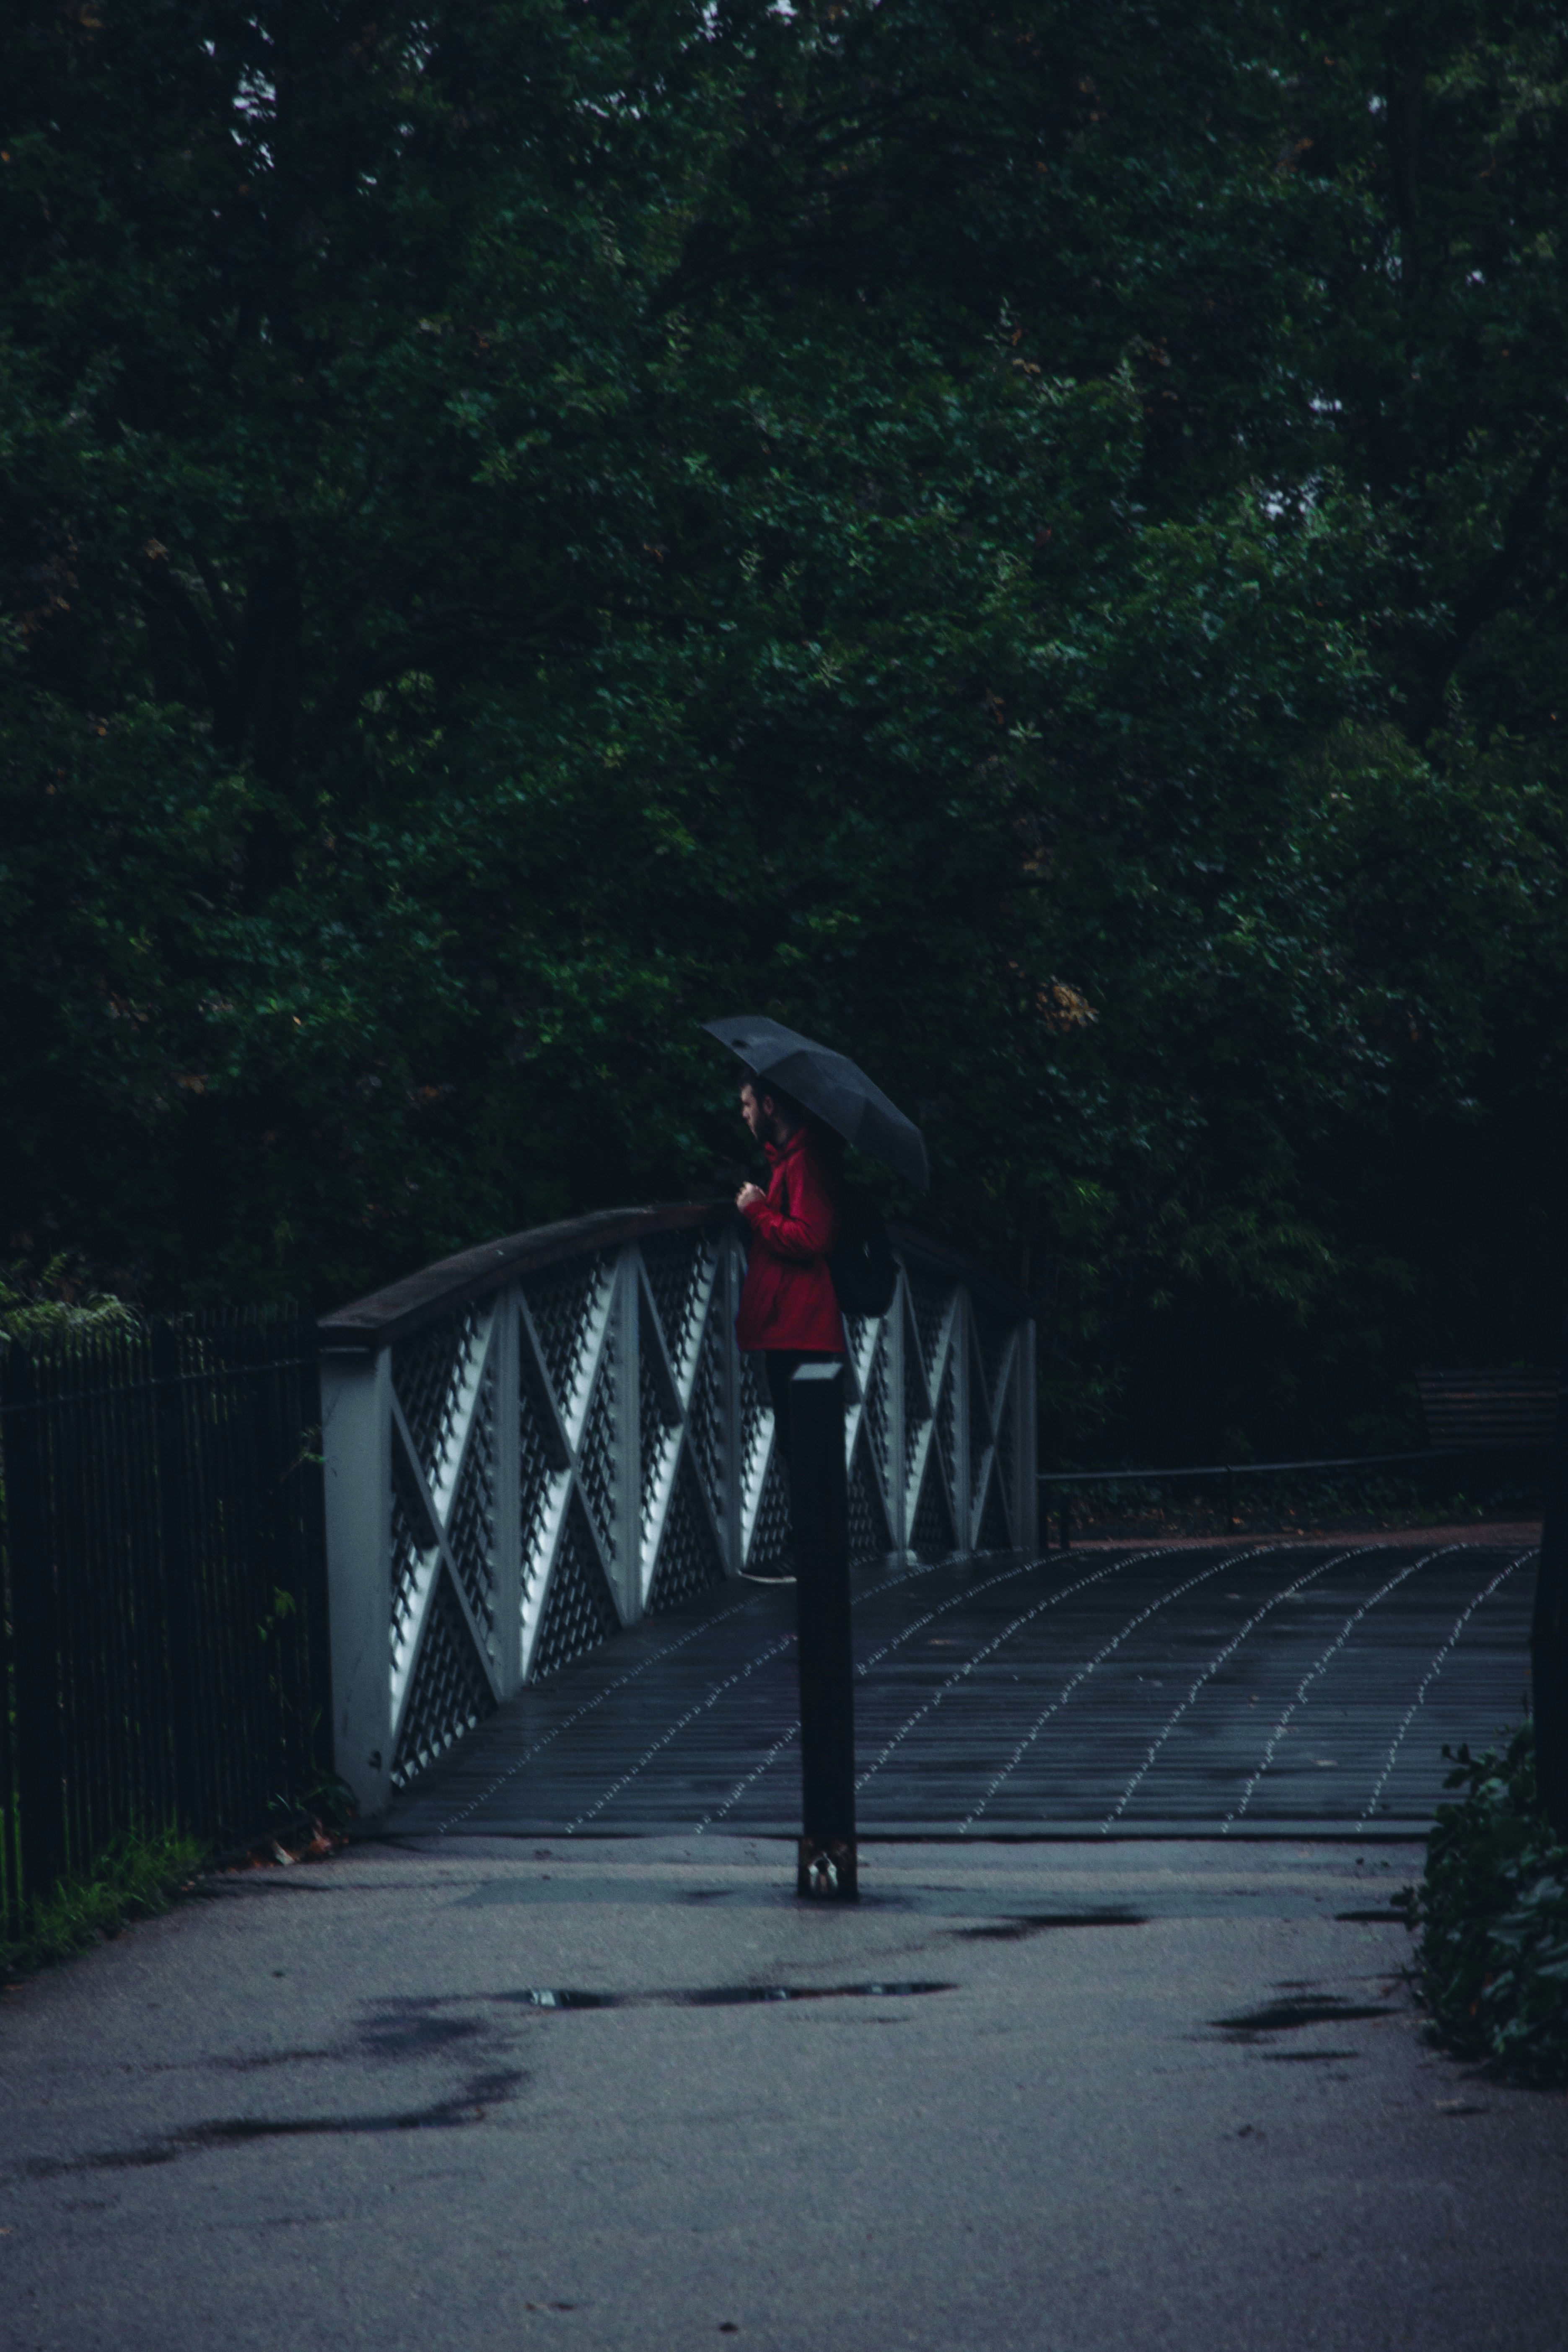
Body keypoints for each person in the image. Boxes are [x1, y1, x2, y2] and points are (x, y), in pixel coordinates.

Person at [733, 1072, 845, 1552]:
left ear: (770, 1105)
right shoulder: (788, 1162)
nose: (744, 1114)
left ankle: (808, 1554)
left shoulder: (805, 1162)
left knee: (804, 1447)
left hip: (803, 1327)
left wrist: (757, 1212)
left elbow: (812, 1237)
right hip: (791, 1325)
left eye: (748, 1104)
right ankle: (807, 1550)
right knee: (799, 1446)